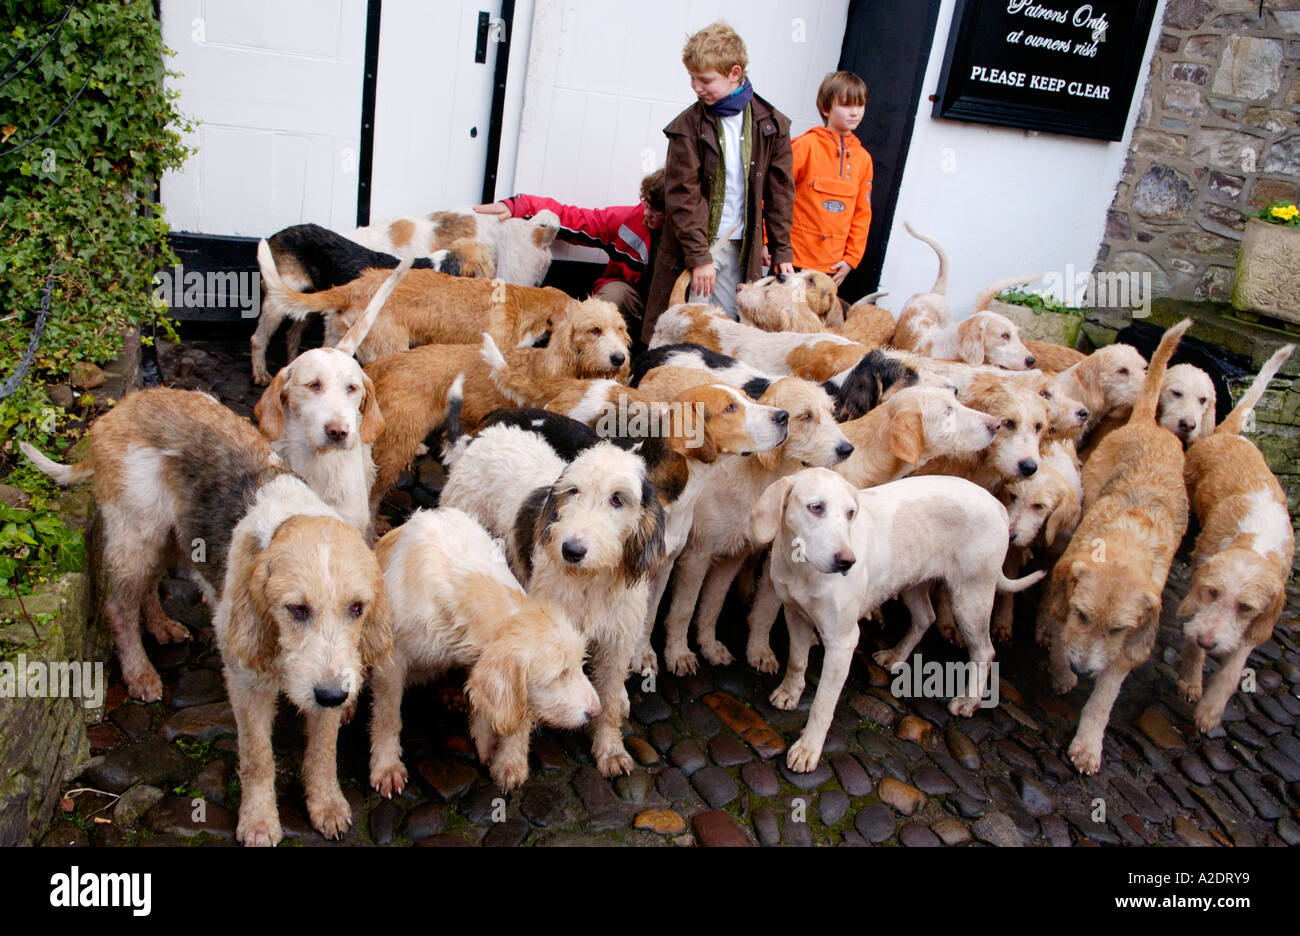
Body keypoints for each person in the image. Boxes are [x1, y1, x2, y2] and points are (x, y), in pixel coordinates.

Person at [641, 21, 795, 343]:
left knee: (726, 331)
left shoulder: (772, 124)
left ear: (735, 73)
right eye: (692, 79)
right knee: (684, 331)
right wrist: (700, 257)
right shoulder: (687, 127)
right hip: (695, 247)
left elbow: (780, 194)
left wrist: (781, 251)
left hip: (742, 247)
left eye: (705, 80)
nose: (696, 87)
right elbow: (683, 195)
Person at [474, 170, 665, 336]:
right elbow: (576, 219)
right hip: (636, 304)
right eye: (645, 204)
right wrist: (519, 205)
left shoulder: (692, 243)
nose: (647, 214)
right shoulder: (631, 220)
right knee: (612, 295)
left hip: (667, 308)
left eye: (656, 211)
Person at [788, 71, 873, 288]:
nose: (854, 112)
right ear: (826, 108)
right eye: (846, 105)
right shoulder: (805, 146)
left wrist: (851, 259)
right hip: (793, 261)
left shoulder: (863, 159)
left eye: (860, 105)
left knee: (815, 322)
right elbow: (775, 197)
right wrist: (768, 243)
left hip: (831, 267)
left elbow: (862, 214)